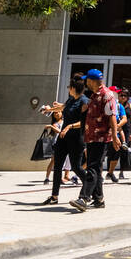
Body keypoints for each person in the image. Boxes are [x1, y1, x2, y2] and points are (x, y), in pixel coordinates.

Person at [68, 69, 118, 213]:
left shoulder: (107, 95)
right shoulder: (94, 96)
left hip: (101, 138)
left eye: (87, 80)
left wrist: (115, 136)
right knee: (95, 168)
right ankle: (99, 199)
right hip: (91, 138)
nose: (85, 83)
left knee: (92, 169)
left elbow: (112, 116)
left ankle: (83, 198)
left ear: (92, 81)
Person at [44, 74, 87, 205]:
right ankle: (54, 196)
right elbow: (62, 107)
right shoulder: (71, 100)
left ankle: (91, 183)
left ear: (73, 88)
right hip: (64, 138)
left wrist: (70, 126)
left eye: (69, 87)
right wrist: (49, 109)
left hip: (76, 138)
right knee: (57, 166)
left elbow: (85, 122)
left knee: (76, 167)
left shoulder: (84, 101)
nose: (68, 89)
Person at [107, 87, 131, 183]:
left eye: (124, 95)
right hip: (108, 132)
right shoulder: (108, 104)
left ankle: (112, 172)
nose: (122, 97)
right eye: (120, 95)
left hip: (122, 130)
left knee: (117, 152)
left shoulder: (124, 106)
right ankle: (107, 173)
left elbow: (129, 120)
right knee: (108, 153)